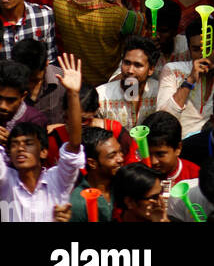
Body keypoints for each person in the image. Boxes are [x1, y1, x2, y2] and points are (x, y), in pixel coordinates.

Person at [0, 52, 82, 221]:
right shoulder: (6, 181)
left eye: (28, 143)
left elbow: (73, 146)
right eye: (14, 144)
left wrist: (73, 94)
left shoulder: (58, 180)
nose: (21, 148)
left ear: (44, 151)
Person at [154, 12, 214, 137]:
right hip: (180, 146)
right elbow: (163, 119)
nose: (203, 56)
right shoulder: (172, 71)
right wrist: (189, 81)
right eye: (196, 50)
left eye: (208, 48)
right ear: (189, 49)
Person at [96, 34, 161, 129]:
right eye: (127, 63)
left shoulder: (159, 92)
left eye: (137, 65)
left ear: (151, 70)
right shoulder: (101, 96)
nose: (130, 70)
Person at [70, 125, 125, 222]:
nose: (120, 159)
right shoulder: (78, 203)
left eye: (120, 152)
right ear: (92, 163)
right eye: (112, 156)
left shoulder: (124, 186)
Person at [143, 110, 200, 192]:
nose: (153, 161)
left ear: (178, 148)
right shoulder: (138, 175)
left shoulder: (195, 176)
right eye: (147, 153)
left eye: (160, 154)